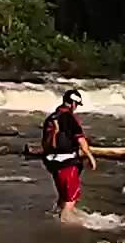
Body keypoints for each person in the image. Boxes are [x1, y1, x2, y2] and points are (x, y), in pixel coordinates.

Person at [41, 89, 97, 223]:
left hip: (51, 163)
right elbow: (81, 140)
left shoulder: (51, 117)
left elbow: (44, 143)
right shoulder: (71, 118)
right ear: (73, 103)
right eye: (76, 104)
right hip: (67, 161)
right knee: (70, 199)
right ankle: (66, 228)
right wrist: (90, 157)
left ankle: (56, 217)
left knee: (63, 197)